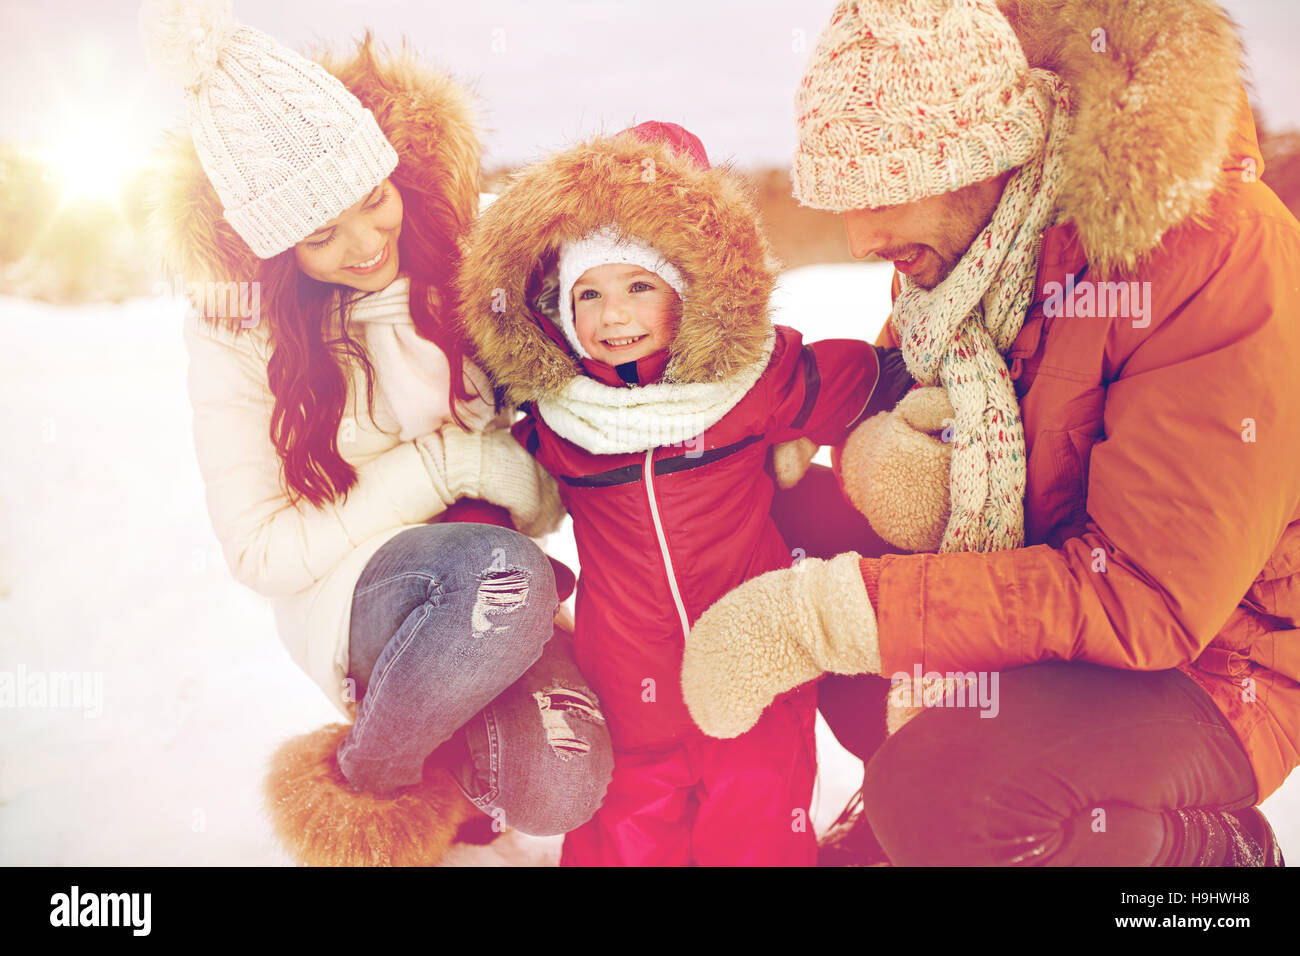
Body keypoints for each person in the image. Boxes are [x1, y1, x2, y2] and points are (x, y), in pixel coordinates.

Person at [685, 0, 1299, 866]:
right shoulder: (970, 258)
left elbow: (1146, 603)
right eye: (846, 201)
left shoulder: (1214, 254)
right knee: (768, 520)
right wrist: (797, 436)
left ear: (983, 159)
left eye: (886, 193)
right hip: (1049, 600)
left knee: (942, 795)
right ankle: (911, 791)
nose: (863, 237)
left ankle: (1207, 860)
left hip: (1212, 667)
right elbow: (899, 406)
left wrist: (827, 616)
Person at [141, 0, 612, 866]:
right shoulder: (237, 331)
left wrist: (501, 470)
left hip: (499, 566)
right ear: (277, 250)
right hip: (352, 591)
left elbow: (545, 487)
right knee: (500, 573)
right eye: (320, 235)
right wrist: (444, 465)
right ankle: (373, 775)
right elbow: (261, 554)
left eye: (373, 199)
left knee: (564, 782)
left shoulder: (468, 276)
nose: (365, 244)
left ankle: (457, 748)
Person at [454, 120, 913, 865]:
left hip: (754, 672)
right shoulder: (566, 420)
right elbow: (504, 484)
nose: (614, 315)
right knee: (633, 837)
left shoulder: (752, 381)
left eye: (640, 286)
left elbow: (863, 380)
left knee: (757, 833)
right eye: (589, 294)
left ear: (689, 291)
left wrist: (925, 385)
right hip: (630, 685)